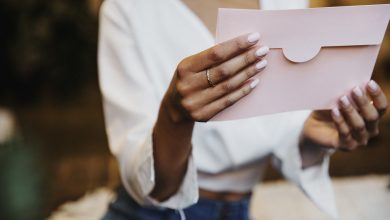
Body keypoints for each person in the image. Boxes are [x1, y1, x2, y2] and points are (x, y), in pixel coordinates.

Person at [98, 0, 388, 219]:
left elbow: (278, 122)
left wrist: (308, 132)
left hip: (242, 208)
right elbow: (151, 186)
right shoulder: (126, 8)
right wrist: (174, 117)